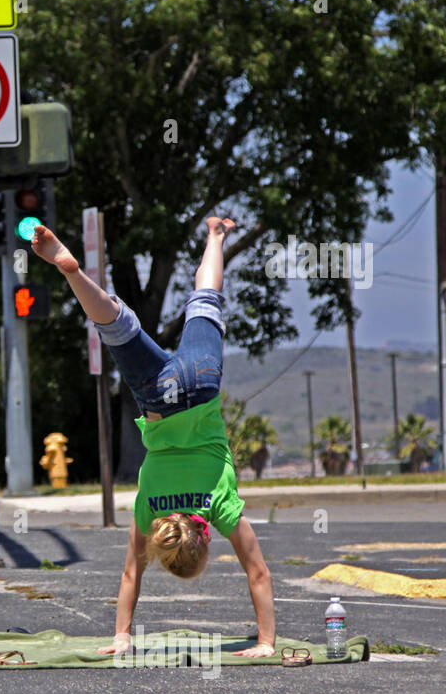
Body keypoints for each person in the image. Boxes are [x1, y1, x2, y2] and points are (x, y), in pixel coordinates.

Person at [30, 216, 277, 658]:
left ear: (203, 542)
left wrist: (266, 643)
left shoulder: (217, 508)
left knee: (206, 299)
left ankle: (215, 235)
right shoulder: (149, 512)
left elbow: (259, 573)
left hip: (200, 385)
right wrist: (121, 635)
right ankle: (74, 273)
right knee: (117, 328)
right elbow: (130, 575)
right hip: (157, 400)